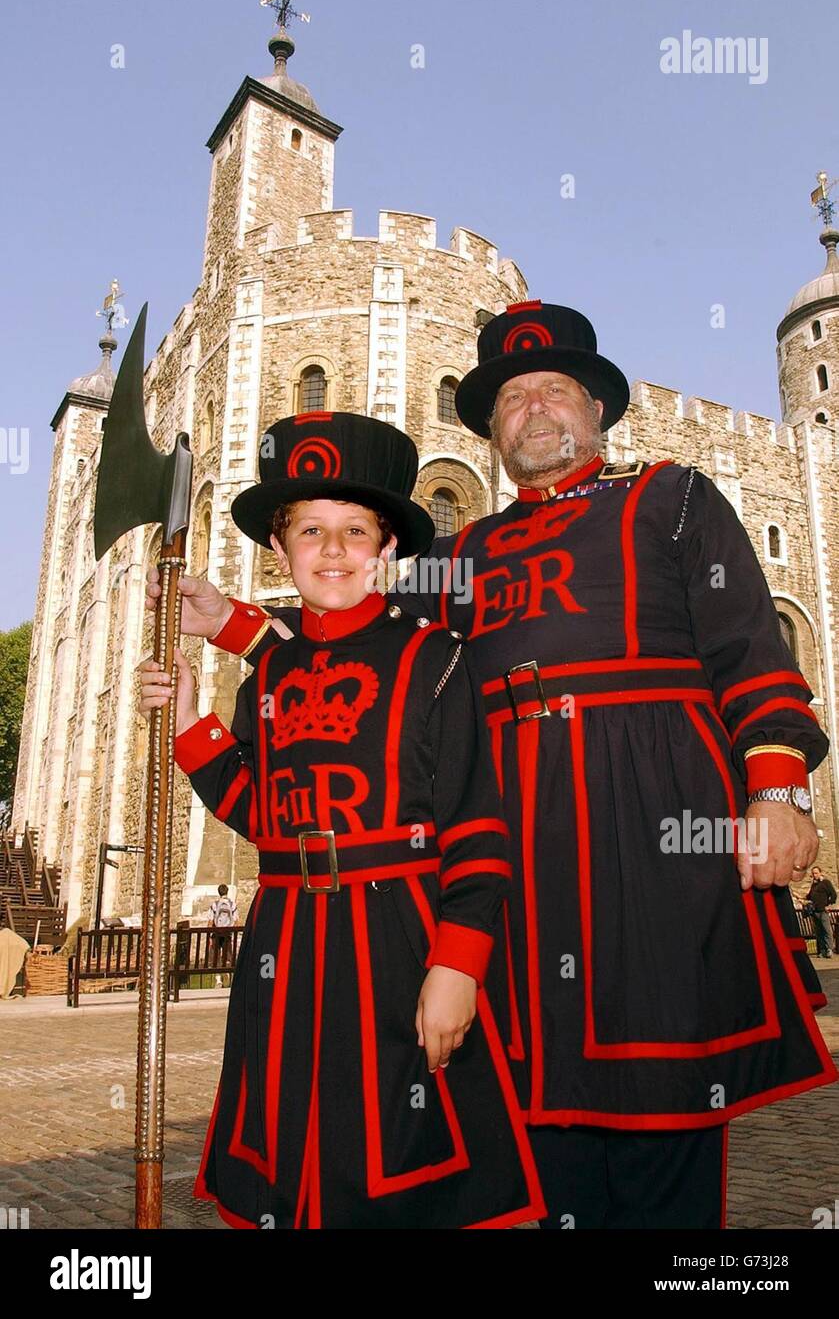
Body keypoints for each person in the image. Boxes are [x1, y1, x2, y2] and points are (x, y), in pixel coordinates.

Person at [153, 301, 837, 1230]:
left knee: (664, 1095)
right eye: (512, 399)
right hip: (507, 856)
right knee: (525, 1101)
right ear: (491, 431)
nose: (535, 409)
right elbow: (357, 649)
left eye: (555, 389)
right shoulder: (457, 553)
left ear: (596, 408)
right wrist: (231, 622)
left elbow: (751, 649)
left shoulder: (670, 499)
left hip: (648, 837)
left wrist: (776, 786)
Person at [140, 411, 544, 1230]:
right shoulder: (272, 671)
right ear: (279, 553)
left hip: (400, 935)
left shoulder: (436, 658)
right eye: (311, 532)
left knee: (406, 1164)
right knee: (288, 1157)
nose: (332, 551)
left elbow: (476, 824)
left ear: (386, 548)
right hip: (283, 944)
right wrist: (190, 721)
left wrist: (458, 966)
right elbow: (260, 812)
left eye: (354, 531)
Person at [806, 867, 837, 959]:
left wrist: (828, 905)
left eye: (816, 873)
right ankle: (822, 950)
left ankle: (829, 949)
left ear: (820, 873)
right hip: (815, 911)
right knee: (819, 932)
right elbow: (810, 896)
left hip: (823, 910)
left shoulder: (826, 883)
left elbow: (833, 895)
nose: (814, 875)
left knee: (826, 930)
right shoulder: (814, 885)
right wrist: (803, 898)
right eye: (813, 874)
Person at [208, 883, 238, 974]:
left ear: (219, 893)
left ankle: (218, 979)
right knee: (228, 954)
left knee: (215, 956)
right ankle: (228, 973)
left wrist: (209, 936)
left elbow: (210, 921)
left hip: (216, 933)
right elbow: (236, 921)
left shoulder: (215, 904)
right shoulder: (232, 904)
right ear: (227, 892)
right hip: (227, 933)